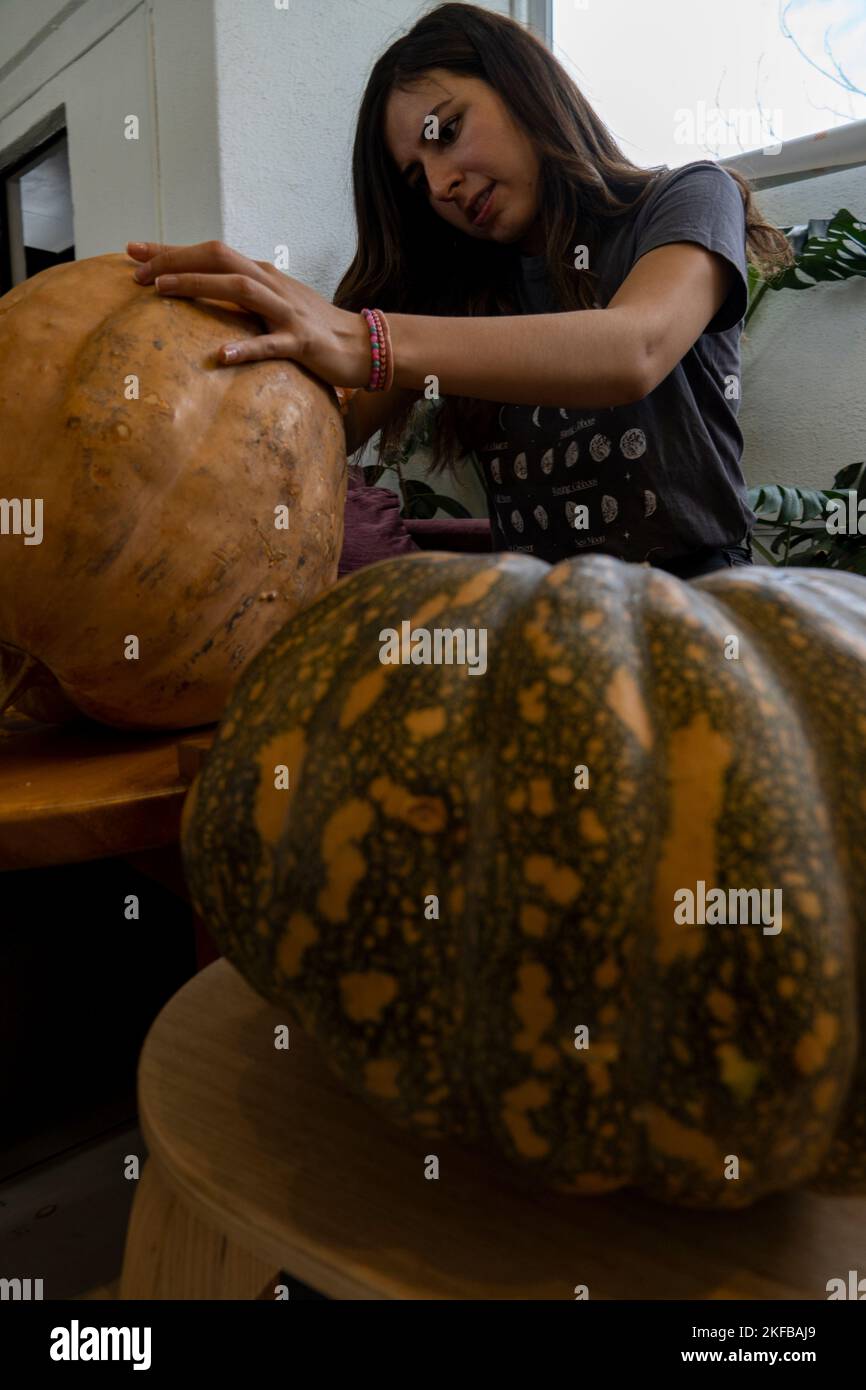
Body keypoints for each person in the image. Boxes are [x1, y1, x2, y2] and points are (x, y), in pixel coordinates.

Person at [126, 3, 794, 578]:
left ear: (524, 87)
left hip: (701, 606)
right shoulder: (453, 292)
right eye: (418, 179)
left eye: (445, 132)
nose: (441, 183)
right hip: (534, 626)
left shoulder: (687, 198)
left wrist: (363, 337)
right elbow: (321, 428)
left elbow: (634, 349)